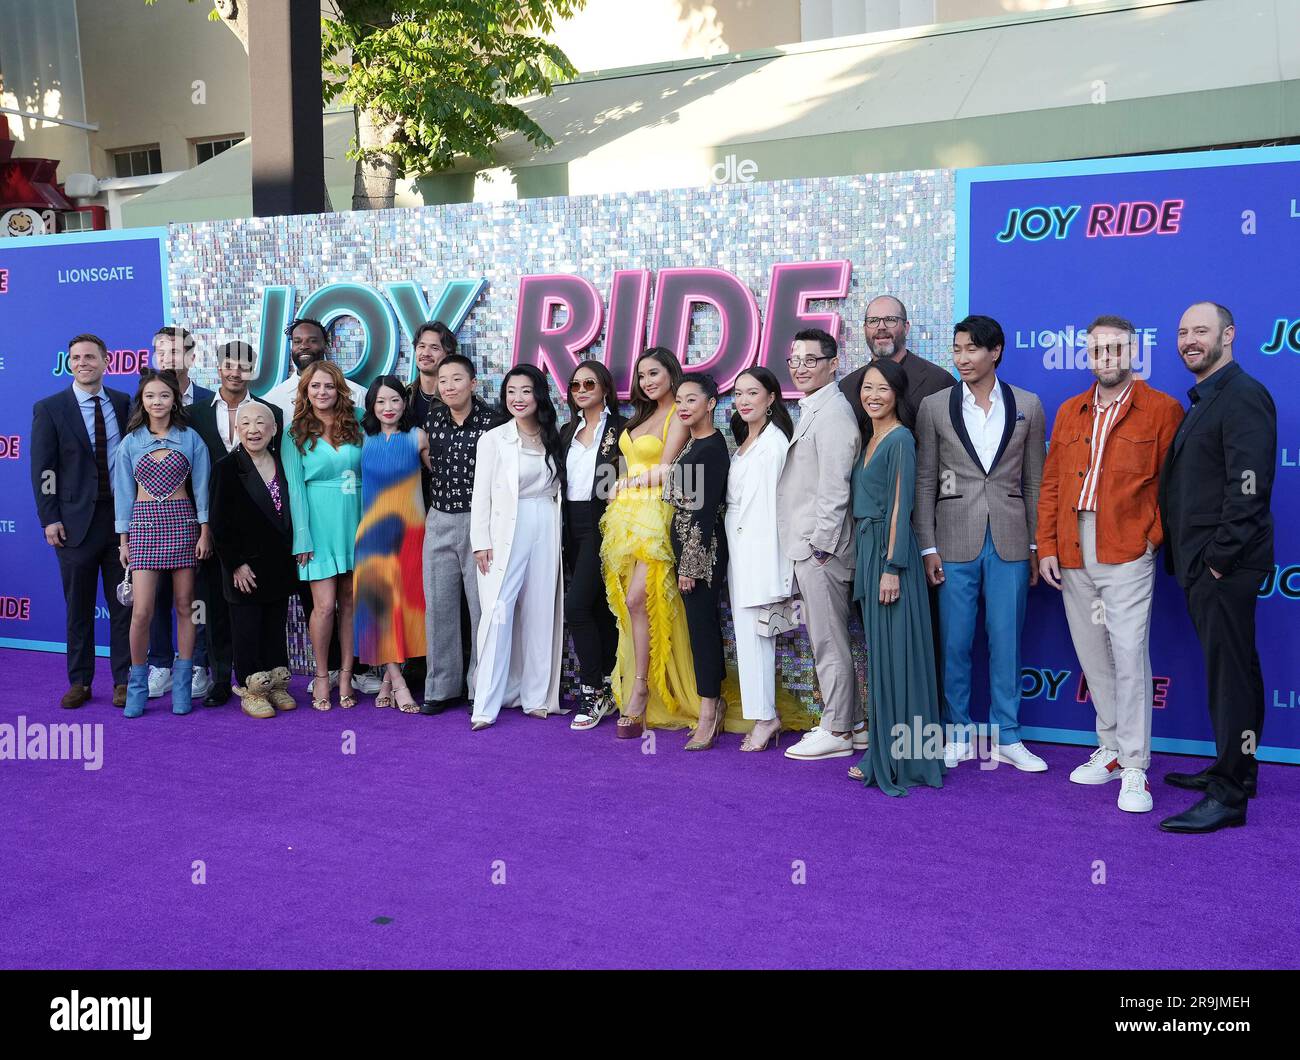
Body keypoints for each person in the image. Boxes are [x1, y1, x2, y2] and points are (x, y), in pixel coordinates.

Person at [1037, 316, 1182, 814]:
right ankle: (1113, 749)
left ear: (1132, 352)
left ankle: (1137, 764)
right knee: (1093, 653)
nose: (1106, 358)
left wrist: (1151, 537)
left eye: (1116, 349)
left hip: (1126, 545)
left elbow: (1173, 485)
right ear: (1088, 355)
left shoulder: (1162, 409)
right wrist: (1048, 544)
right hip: (1074, 543)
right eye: (1097, 350)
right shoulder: (1070, 411)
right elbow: (1053, 481)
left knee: (1127, 651)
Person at [1157, 302, 1276, 834]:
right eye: (1183, 332)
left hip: (1224, 566)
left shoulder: (1242, 396)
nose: (1189, 340)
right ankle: (1239, 770)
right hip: (1210, 563)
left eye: (1201, 330)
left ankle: (1229, 796)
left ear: (1229, 334)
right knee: (1238, 671)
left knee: (1229, 679)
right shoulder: (1210, 397)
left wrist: (1219, 561)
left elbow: (1248, 488)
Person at [913, 315, 1047, 772]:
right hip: (952, 541)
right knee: (955, 642)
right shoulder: (935, 406)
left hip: (1010, 541)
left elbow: (1035, 482)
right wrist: (927, 547)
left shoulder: (1029, 404)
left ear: (996, 352)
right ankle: (956, 731)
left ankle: (1008, 736)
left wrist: (1034, 547)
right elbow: (925, 480)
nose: (962, 358)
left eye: (972, 349)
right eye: (957, 349)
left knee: (1006, 641)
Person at [845, 360, 946, 795]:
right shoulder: (870, 438)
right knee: (882, 659)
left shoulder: (902, 438)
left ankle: (902, 759)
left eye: (883, 389)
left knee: (898, 659)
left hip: (890, 559)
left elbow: (902, 507)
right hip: (867, 553)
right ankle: (885, 749)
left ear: (897, 394)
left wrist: (892, 568)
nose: (873, 395)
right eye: (867, 388)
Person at [600, 347, 698, 739]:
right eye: (641, 375)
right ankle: (641, 685)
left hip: (657, 513)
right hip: (626, 516)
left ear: (671, 373)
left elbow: (669, 467)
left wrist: (626, 483)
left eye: (654, 373)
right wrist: (618, 490)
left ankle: (642, 689)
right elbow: (628, 462)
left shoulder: (678, 413)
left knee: (642, 597)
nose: (647, 381)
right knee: (630, 601)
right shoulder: (639, 417)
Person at [30, 333, 132, 709]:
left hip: (122, 523)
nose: (83, 362)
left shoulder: (124, 403)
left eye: (91, 356)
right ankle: (80, 681)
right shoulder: (50, 408)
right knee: (78, 608)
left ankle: (124, 680)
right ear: (69, 363)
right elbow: (43, 470)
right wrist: (49, 517)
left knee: (125, 605)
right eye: (76, 357)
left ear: (106, 361)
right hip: (73, 525)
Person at [777, 329, 866, 761]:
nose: (800, 367)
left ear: (834, 364)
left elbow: (836, 486)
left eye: (811, 360)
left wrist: (820, 547)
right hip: (812, 547)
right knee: (828, 639)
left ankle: (837, 728)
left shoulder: (834, 414)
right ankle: (856, 723)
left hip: (823, 550)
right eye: (795, 359)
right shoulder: (813, 408)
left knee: (829, 641)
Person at [469, 364, 566, 729]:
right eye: (511, 391)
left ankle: (537, 697)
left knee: (540, 610)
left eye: (525, 391)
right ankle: (485, 705)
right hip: (505, 529)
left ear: (538, 394)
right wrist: (480, 542)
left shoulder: (551, 436)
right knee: (498, 612)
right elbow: (481, 496)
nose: (518, 398)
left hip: (546, 523)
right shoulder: (494, 439)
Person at [187, 341, 283, 707]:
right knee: (215, 604)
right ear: (219, 367)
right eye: (229, 365)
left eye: (243, 366)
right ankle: (219, 679)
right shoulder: (195, 414)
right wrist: (204, 528)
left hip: (259, 534)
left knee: (255, 607)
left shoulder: (270, 412)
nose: (235, 372)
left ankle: (259, 679)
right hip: (211, 527)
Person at [113, 369, 212, 717]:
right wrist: (123, 540)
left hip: (182, 524)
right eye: (151, 396)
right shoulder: (130, 443)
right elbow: (123, 494)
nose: (157, 402)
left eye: (164, 396)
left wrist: (204, 530)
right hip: (143, 527)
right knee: (141, 611)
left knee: (185, 606)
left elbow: (201, 487)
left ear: (175, 400)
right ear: (143, 400)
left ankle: (183, 687)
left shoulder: (190, 439)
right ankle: (138, 685)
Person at [282, 360, 364, 711]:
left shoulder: (359, 420)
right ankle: (320, 674)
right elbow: (295, 489)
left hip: (357, 519)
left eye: (328, 386)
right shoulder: (294, 431)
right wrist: (302, 537)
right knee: (325, 606)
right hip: (318, 524)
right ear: (305, 391)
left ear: (339, 389)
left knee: (350, 604)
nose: (322, 392)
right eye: (314, 386)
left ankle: (346, 675)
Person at [208, 402, 299, 719]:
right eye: (245, 423)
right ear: (237, 429)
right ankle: (251, 688)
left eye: (261, 422)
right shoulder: (226, 467)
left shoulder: (285, 462)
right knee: (246, 629)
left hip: (279, 565)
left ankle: (276, 683)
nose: (253, 429)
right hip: (244, 568)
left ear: (274, 429)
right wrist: (235, 563)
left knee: (274, 629)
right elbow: (219, 524)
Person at [726, 367, 798, 752]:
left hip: (761, 552)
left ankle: (765, 717)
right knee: (749, 637)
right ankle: (763, 714)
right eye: (738, 394)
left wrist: (779, 570)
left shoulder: (775, 445)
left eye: (752, 393)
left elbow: (779, 509)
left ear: (771, 398)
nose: (743, 400)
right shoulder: (745, 440)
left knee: (757, 639)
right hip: (739, 548)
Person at [421, 353, 497, 714]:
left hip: (478, 522)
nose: (448, 386)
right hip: (438, 518)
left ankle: (479, 688)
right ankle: (440, 687)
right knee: (438, 606)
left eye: (456, 379)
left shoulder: (494, 423)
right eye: (442, 380)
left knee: (480, 608)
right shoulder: (432, 418)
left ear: (473, 383)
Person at [144, 325, 216, 702]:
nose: (170, 358)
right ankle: (159, 663)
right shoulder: (140, 402)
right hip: (152, 521)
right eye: (162, 351)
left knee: (197, 597)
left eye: (177, 351)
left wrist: (207, 522)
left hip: (197, 519)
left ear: (191, 356)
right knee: (154, 596)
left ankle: (200, 662)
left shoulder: (209, 402)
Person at [664, 374, 732, 750]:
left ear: (711, 403)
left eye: (692, 399)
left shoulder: (712, 447)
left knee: (702, 628)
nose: (684, 406)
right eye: (679, 401)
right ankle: (712, 701)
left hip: (702, 550)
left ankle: (709, 708)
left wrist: (690, 564)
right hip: (687, 542)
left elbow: (705, 512)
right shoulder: (693, 443)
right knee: (697, 626)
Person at [355, 375, 429, 714]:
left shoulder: (418, 437)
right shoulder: (361, 438)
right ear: (371, 405)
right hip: (372, 537)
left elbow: (440, 477)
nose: (388, 408)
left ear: (405, 403)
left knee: (406, 607)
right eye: (381, 401)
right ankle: (399, 683)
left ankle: (386, 679)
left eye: (395, 400)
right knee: (381, 607)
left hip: (413, 535)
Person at [560, 360, 626, 730]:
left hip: (604, 522)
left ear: (604, 388)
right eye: (575, 385)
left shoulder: (619, 429)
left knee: (578, 606)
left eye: (589, 383)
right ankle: (607, 684)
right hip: (571, 524)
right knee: (599, 607)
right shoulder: (568, 430)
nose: (581, 390)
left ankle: (592, 689)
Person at [839, 295, 956, 434]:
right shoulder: (847, 387)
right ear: (864, 328)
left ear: (906, 327)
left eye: (890, 320)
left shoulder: (938, 382)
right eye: (873, 321)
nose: (881, 327)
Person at [261, 317, 367, 423]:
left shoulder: (356, 394)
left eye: (312, 341)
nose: (303, 346)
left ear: (326, 345)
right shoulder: (273, 399)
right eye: (297, 342)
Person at [408, 321, 456, 440]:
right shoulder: (404, 395)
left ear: (448, 355)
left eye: (434, 348)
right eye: (421, 346)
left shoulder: (462, 398)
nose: (426, 353)